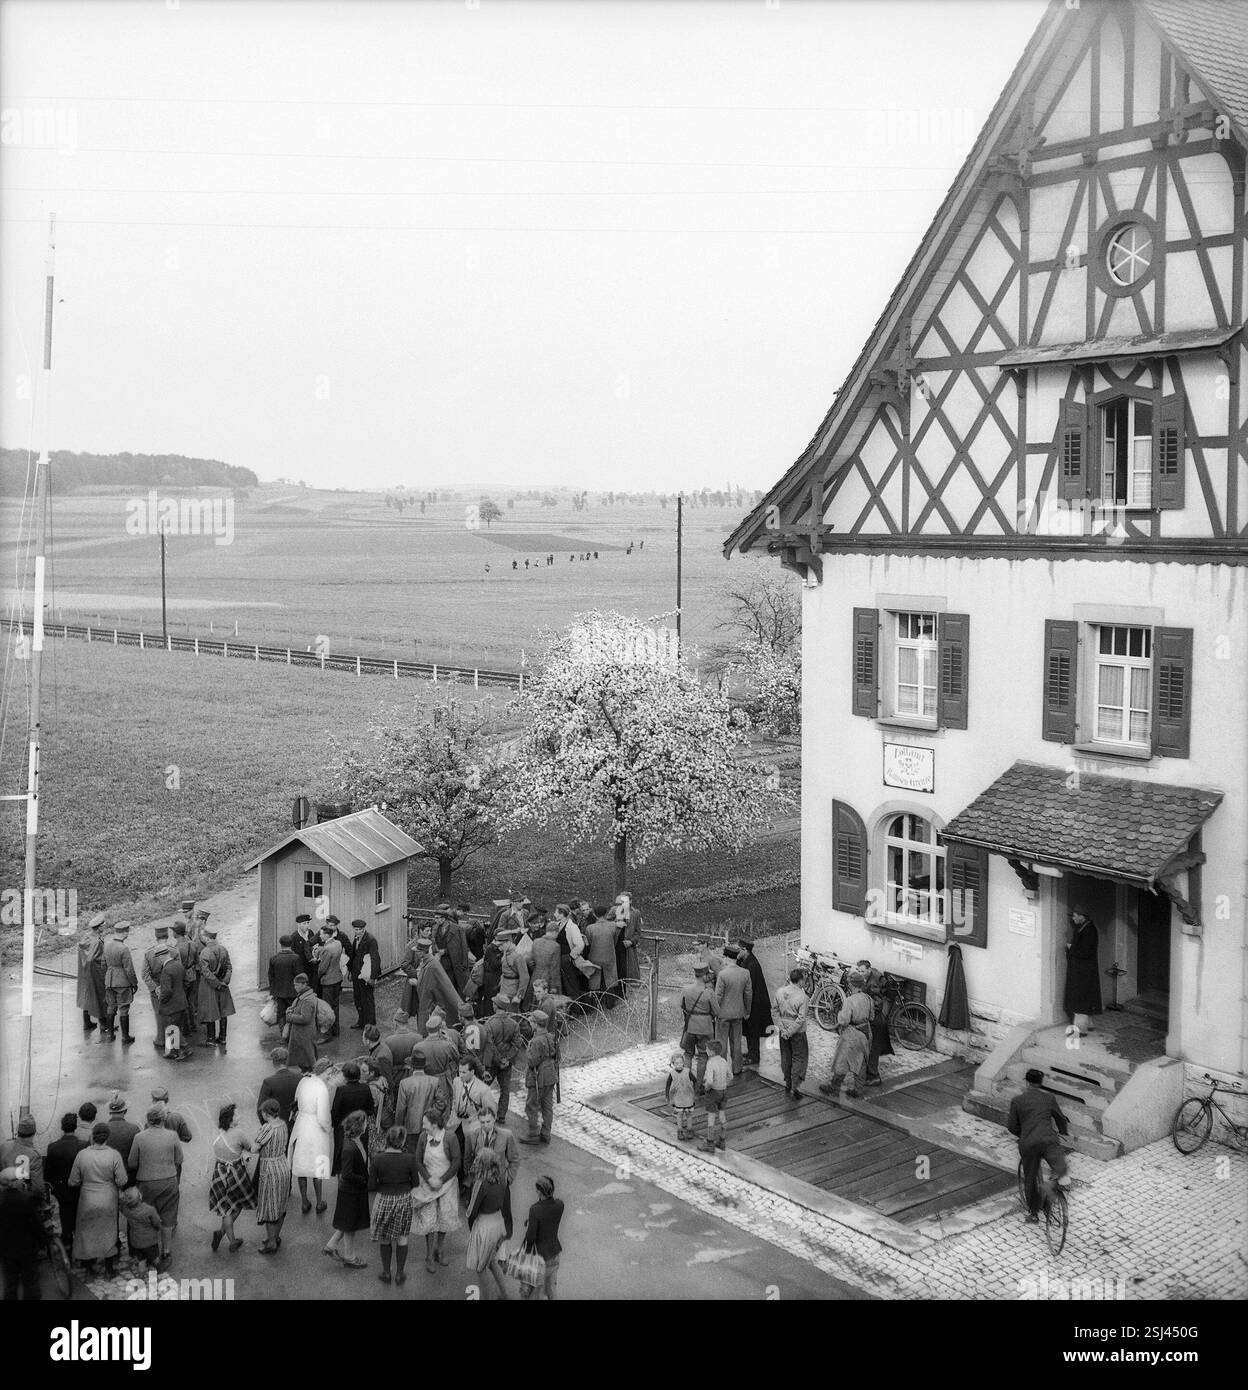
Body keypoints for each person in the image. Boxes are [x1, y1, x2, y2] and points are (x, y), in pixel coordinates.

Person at [1008, 1069, 1072, 1221]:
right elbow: (1060, 1119)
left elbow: (1012, 1126)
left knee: (1030, 1178)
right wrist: (1063, 1132)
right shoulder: (1049, 1098)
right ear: (1041, 1083)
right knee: (1061, 1167)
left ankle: (1034, 1214)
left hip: (1029, 1144)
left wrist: (1023, 1135)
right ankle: (1051, 1185)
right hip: (1048, 1140)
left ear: (1026, 1081)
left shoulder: (1017, 1101)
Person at [127, 1106, 184, 1269]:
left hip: (146, 1183)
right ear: (163, 1119)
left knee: (146, 1216)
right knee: (168, 1217)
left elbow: (132, 1163)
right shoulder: (172, 1136)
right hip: (169, 1181)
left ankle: (148, 1252)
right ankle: (166, 1251)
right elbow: (179, 1159)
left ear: (148, 1120)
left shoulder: (139, 1137)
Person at [68, 1123, 127, 1275]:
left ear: (92, 1136)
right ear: (108, 1137)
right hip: (108, 1199)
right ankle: (109, 1269)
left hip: (87, 1199)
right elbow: (122, 1180)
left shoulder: (82, 1155)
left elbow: (73, 1181)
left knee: (87, 1232)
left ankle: (88, 1267)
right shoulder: (114, 1155)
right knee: (108, 1232)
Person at [368, 1125, 420, 1285]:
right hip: (403, 1199)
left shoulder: (377, 1159)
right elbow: (416, 1183)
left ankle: (386, 1272)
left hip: (384, 1199)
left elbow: (371, 1185)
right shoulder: (410, 1158)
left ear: (388, 1140)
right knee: (402, 1237)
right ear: (402, 1141)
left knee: (385, 1238)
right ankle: (399, 1273)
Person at [412, 1105, 461, 1273]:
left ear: (434, 1124)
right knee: (428, 1221)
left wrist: (441, 1180)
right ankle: (428, 1256)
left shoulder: (450, 1138)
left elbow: (456, 1163)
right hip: (427, 1184)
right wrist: (429, 1179)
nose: (423, 1125)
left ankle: (439, 1249)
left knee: (444, 1218)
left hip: (446, 1184)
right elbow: (417, 1161)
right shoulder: (422, 1138)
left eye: (425, 1123)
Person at [461, 1102, 519, 1238]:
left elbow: (514, 1159)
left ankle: (506, 1240)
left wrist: (508, 1179)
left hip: (500, 1181)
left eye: (488, 1121)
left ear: (494, 1119)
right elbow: (467, 1158)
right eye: (482, 1122)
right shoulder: (472, 1135)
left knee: (505, 1213)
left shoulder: (506, 1135)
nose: (485, 1125)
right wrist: (472, 1177)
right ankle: (477, 1238)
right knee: (474, 1213)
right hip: (479, 1182)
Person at [324, 1110, 370, 1269]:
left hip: (353, 1190)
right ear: (359, 1126)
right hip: (351, 1191)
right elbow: (347, 1173)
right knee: (351, 1225)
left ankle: (331, 1246)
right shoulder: (350, 1148)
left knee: (349, 1221)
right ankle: (350, 1257)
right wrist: (364, 1180)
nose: (367, 1124)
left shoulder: (356, 1141)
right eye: (365, 1122)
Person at [207, 1103, 254, 1254]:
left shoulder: (217, 1133)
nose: (239, 1116)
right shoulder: (239, 1134)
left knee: (226, 1209)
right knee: (238, 1203)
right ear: (230, 1120)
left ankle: (224, 1234)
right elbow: (251, 1148)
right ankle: (229, 1239)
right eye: (237, 1114)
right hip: (236, 1173)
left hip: (219, 1173)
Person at [290, 1057, 333, 1215]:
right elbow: (323, 1115)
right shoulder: (321, 1087)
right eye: (329, 1072)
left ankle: (304, 1201)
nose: (330, 1076)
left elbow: (295, 1099)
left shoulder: (304, 1081)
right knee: (318, 1164)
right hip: (316, 1128)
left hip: (301, 1125)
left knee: (301, 1164)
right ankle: (319, 1201)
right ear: (321, 1071)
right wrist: (328, 1128)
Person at [819, 971, 873, 1100]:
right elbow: (872, 1016)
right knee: (861, 1062)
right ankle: (858, 1090)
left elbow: (843, 1020)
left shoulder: (850, 1000)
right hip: (866, 1032)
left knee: (842, 1060)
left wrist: (839, 1014)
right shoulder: (868, 998)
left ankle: (834, 1086)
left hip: (852, 1033)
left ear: (851, 985)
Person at [464, 1146, 509, 1299]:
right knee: (491, 1262)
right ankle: (504, 1294)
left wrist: (471, 1226)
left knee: (480, 1267)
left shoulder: (481, 1183)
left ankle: (486, 1297)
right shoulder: (502, 1179)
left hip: (485, 1226)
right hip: (498, 1222)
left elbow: (471, 1211)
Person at [0, 1166, 46, 1300]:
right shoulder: (27, 1199)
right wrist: (43, 1242)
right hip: (27, 1249)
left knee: (10, 1284)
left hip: (6, 1250)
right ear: (15, 1182)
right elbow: (36, 1225)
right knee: (30, 1283)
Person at [253, 1098, 291, 1254]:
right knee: (281, 1204)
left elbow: (255, 1148)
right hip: (283, 1165)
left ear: (265, 1113)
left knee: (270, 1206)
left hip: (270, 1169)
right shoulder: (283, 1124)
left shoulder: (267, 1128)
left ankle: (271, 1242)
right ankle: (275, 1236)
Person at [481, 994, 524, 1127]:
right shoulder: (514, 1024)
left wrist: (499, 1060)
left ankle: (483, 1112)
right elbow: (517, 1044)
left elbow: (489, 1045)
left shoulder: (489, 1024)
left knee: (483, 1088)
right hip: (507, 1063)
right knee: (505, 1090)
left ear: (496, 1006)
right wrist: (507, 1059)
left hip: (492, 1063)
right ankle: (501, 1116)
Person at [519, 1174, 563, 1301]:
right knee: (551, 1290)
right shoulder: (560, 1205)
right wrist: (532, 1221)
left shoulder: (535, 1210)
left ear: (539, 1191)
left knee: (535, 1294)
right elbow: (548, 1216)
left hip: (540, 1259)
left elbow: (531, 1238)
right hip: (554, 1254)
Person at [394, 1050, 449, 1150]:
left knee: (413, 1155)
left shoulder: (404, 1083)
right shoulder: (435, 1081)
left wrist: (398, 1127)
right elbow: (442, 1103)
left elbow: (400, 1109)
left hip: (410, 1128)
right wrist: (431, 1116)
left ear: (411, 1067)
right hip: (430, 1126)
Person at [44, 1114, 86, 1244]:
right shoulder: (83, 1145)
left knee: (65, 1216)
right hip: (79, 1189)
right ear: (75, 1126)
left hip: (61, 1190)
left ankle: (67, 1242)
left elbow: (48, 1174)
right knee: (79, 1217)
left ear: (62, 1127)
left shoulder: (52, 1147)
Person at [520, 1010, 558, 1146]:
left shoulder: (536, 1041)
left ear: (536, 1024)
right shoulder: (550, 1036)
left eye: (531, 1022)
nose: (530, 1024)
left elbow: (531, 1061)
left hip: (538, 1077)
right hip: (550, 1075)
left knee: (532, 1106)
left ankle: (533, 1134)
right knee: (547, 1106)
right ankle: (546, 1133)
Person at [714, 946, 752, 1077]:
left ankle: (723, 1070)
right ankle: (737, 1068)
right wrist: (747, 1010)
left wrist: (715, 1012)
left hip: (723, 1014)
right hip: (738, 1013)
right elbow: (748, 994)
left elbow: (718, 996)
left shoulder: (723, 974)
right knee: (736, 1042)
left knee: (722, 1042)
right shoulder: (745, 973)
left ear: (726, 957)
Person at [679, 964, 718, 1092]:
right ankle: (698, 1086)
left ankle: (685, 1083)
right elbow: (717, 1011)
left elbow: (682, 1005)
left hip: (690, 1027)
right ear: (705, 976)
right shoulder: (709, 992)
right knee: (703, 1056)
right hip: (705, 1028)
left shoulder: (686, 989)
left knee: (688, 1054)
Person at [196, 924, 236, 1048]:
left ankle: (210, 1039)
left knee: (210, 1011)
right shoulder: (223, 949)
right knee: (223, 1011)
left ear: (207, 937)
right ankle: (223, 1038)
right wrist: (225, 981)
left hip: (209, 986)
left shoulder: (204, 952)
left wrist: (216, 985)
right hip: (223, 984)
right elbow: (229, 967)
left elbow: (206, 972)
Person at [330, 1062, 374, 1174]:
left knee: (342, 1160)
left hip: (344, 1130)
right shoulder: (366, 1088)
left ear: (345, 1076)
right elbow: (370, 1109)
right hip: (361, 1128)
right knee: (360, 1158)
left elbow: (335, 1112)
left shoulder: (341, 1091)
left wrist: (335, 1125)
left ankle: (342, 1185)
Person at [1064, 907, 1102, 1036]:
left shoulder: (1089, 930)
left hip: (1083, 971)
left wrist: (1071, 948)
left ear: (1082, 916)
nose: (1073, 918)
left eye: (1075, 916)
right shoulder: (1084, 927)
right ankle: (1088, 1024)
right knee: (1084, 998)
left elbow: (1085, 951)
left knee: (1080, 999)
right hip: (1082, 969)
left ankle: (1080, 1029)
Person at [773, 967, 810, 1097]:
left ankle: (787, 1082)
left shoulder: (779, 992)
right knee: (799, 1058)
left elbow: (775, 1012)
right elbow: (801, 1019)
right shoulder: (803, 997)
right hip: (797, 1033)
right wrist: (790, 1031)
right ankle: (795, 1086)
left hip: (783, 1030)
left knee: (786, 1056)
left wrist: (783, 1030)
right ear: (800, 981)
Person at [736, 938, 773, 1067]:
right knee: (750, 1029)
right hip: (754, 1002)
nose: (737, 951)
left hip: (755, 1004)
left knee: (753, 1030)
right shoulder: (748, 960)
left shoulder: (751, 965)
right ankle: (751, 1052)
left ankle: (754, 1056)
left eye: (739, 949)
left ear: (745, 950)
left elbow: (749, 987)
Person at [857, 959, 893, 1087]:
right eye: (859, 971)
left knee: (873, 1048)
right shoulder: (871, 977)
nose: (860, 973)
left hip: (876, 1020)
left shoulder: (873, 982)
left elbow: (877, 1002)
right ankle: (870, 1074)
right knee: (871, 1047)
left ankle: (873, 1077)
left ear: (869, 969)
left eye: (862, 971)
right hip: (874, 1019)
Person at [102, 921, 138, 1045]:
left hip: (109, 980)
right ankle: (125, 1037)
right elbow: (129, 969)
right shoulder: (124, 948)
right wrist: (134, 983)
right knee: (124, 1008)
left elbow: (103, 964)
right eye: (127, 931)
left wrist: (108, 975)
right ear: (124, 932)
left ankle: (110, 1034)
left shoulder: (106, 945)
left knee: (111, 1006)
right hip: (122, 981)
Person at [157, 946, 193, 1060]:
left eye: (158, 957)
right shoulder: (178, 965)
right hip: (181, 1003)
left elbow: (167, 991)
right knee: (176, 1027)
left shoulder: (166, 970)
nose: (158, 960)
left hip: (171, 1006)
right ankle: (172, 1052)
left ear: (162, 956)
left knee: (172, 1028)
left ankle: (185, 1049)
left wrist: (160, 998)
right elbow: (187, 981)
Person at [140, 924, 173, 1041]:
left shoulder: (148, 953)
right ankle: (172, 1043)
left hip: (156, 989)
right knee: (171, 1015)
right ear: (167, 936)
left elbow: (144, 974)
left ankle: (160, 1039)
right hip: (171, 988)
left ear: (156, 937)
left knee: (158, 1013)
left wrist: (155, 988)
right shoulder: (173, 951)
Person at [76, 914, 107, 1034]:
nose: (104, 928)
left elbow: (86, 958)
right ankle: (104, 1025)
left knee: (86, 996)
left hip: (84, 973)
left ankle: (87, 1023)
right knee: (100, 996)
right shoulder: (97, 942)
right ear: (99, 927)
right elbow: (94, 959)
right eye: (102, 926)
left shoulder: (86, 938)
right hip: (95, 973)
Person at [348, 919, 381, 1029]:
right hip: (357, 974)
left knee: (367, 1000)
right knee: (358, 999)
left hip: (366, 975)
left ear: (364, 929)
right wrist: (350, 972)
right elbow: (354, 956)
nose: (357, 932)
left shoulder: (371, 940)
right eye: (356, 930)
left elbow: (375, 959)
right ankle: (361, 1021)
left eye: (359, 930)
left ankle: (371, 1024)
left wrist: (372, 977)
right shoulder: (356, 938)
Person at [699, 1039, 731, 1153]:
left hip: (713, 1092)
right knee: (722, 1115)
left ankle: (710, 1143)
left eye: (707, 1049)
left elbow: (710, 1081)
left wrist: (706, 1088)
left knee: (711, 1117)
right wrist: (724, 1084)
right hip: (723, 1091)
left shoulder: (711, 1063)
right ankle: (722, 1140)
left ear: (711, 1052)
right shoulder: (723, 1061)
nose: (706, 1050)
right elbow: (730, 1076)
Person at [120, 1187, 163, 1269]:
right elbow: (157, 1223)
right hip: (150, 1241)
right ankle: (158, 1270)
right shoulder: (149, 1210)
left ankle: (141, 1275)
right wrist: (159, 1228)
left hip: (135, 1242)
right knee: (155, 1259)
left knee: (141, 1261)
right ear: (140, 1197)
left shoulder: (126, 1210)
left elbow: (121, 1207)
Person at [0, 1116, 45, 1195]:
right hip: (23, 1203)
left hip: (3, 1200)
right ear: (33, 1133)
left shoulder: (3, 1147)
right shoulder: (35, 1156)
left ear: (18, 1131)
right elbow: (38, 1189)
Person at [284, 974, 319, 1072]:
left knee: (307, 1062)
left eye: (297, 985)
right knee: (304, 1060)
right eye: (294, 985)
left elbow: (305, 1018)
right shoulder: (304, 996)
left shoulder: (307, 1000)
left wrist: (290, 1017)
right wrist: (292, 1009)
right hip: (302, 1035)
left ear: (304, 984)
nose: (295, 988)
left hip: (304, 1036)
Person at [268, 934, 302, 1031]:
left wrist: (272, 992)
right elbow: (299, 976)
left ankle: (283, 1034)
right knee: (293, 1013)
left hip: (279, 992)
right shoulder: (296, 958)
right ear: (291, 944)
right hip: (293, 992)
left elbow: (271, 976)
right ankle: (291, 1035)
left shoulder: (274, 958)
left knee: (281, 1014)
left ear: (280, 944)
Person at [317, 924, 345, 1038]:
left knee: (326, 1009)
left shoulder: (326, 949)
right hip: (337, 978)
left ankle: (326, 1034)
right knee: (335, 1006)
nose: (320, 936)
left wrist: (318, 974)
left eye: (321, 934)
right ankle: (335, 1030)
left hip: (328, 981)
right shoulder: (338, 943)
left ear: (326, 935)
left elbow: (323, 968)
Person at [582, 911, 617, 1000]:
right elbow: (615, 940)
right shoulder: (613, 925)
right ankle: (610, 1001)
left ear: (594, 915)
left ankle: (595, 1001)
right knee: (609, 978)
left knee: (595, 979)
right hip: (609, 956)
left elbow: (588, 943)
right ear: (605, 914)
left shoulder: (590, 928)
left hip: (594, 956)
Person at [665, 1051, 697, 1142]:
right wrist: (667, 1096)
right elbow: (668, 1085)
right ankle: (680, 1130)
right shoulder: (672, 1074)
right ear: (673, 1064)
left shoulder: (687, 1071)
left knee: (689, 1114)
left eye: (681, 1063)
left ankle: (689, 1129)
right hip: (678, 1097)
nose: (679, 1065)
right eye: (677, 1063)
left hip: (688, 1097)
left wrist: (694, 1091)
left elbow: (695, 1080)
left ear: (683, 1062)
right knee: (679, 1114)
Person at [612, 892, 643, 986]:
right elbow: (607, 923)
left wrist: (631, 941)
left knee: (625, 971)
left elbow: (638, 932)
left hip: (627, 946)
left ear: (630, 901)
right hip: (615, 944)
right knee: (615, 970)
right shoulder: (615, 911)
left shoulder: (636, 913)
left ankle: (624, 992)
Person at [528, 917, 562, 998]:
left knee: (534, 1000)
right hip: (548, 978)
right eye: (557, 933)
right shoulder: (555, 946)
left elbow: (530, 961)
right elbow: (555, 968)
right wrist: (554, 986)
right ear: (554, 932)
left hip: (535, 975)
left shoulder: (536, 941)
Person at [104, 1094, 140, 1173]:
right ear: (125, 1111)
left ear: (110, 1112)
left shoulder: (101, 1129)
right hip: (129, 1175)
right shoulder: (134, 1129)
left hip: (106, 1174)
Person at [290, 915, 320, 994]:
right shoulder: (294, 937)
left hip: (311, 966)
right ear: (298, 924)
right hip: (301, 968)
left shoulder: (310, 933)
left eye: (308, 923)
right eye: (304, 923)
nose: (307, 925)